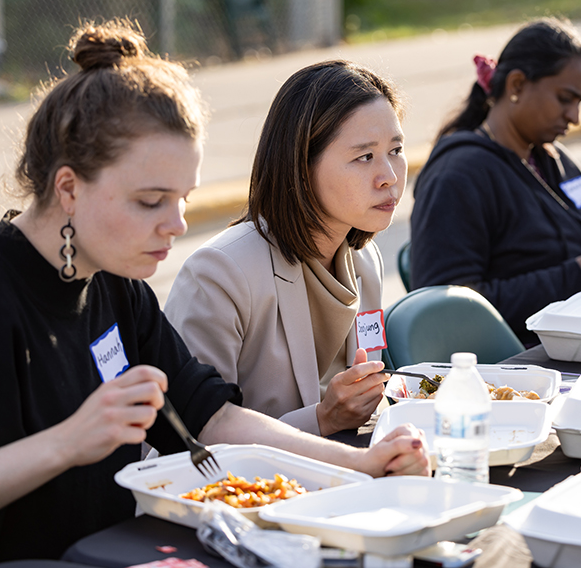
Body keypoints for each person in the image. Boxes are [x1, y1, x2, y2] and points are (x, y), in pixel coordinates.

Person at [0, 23, 428, 568]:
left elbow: (214, 418)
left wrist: (361, 462)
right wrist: (67, 442)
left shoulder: (114, 282)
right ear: (69, 188)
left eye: (183, 199)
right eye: (151, 201)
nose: (177, 225)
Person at [164, 60, 405, 436]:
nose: (389, 176)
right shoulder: (219, 274)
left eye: (396, 149)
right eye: (364, 157)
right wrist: (323, 419)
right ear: (301, 166)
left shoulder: (365, 261)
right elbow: (188, 437)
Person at [409, 18, 581, 346]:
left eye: (579, 102)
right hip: (509, 366)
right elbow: (445, 310)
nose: (575, 117)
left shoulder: (553, 159)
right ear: (516, 85)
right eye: (565, 99)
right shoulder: (457, 176)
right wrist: (574, 280)